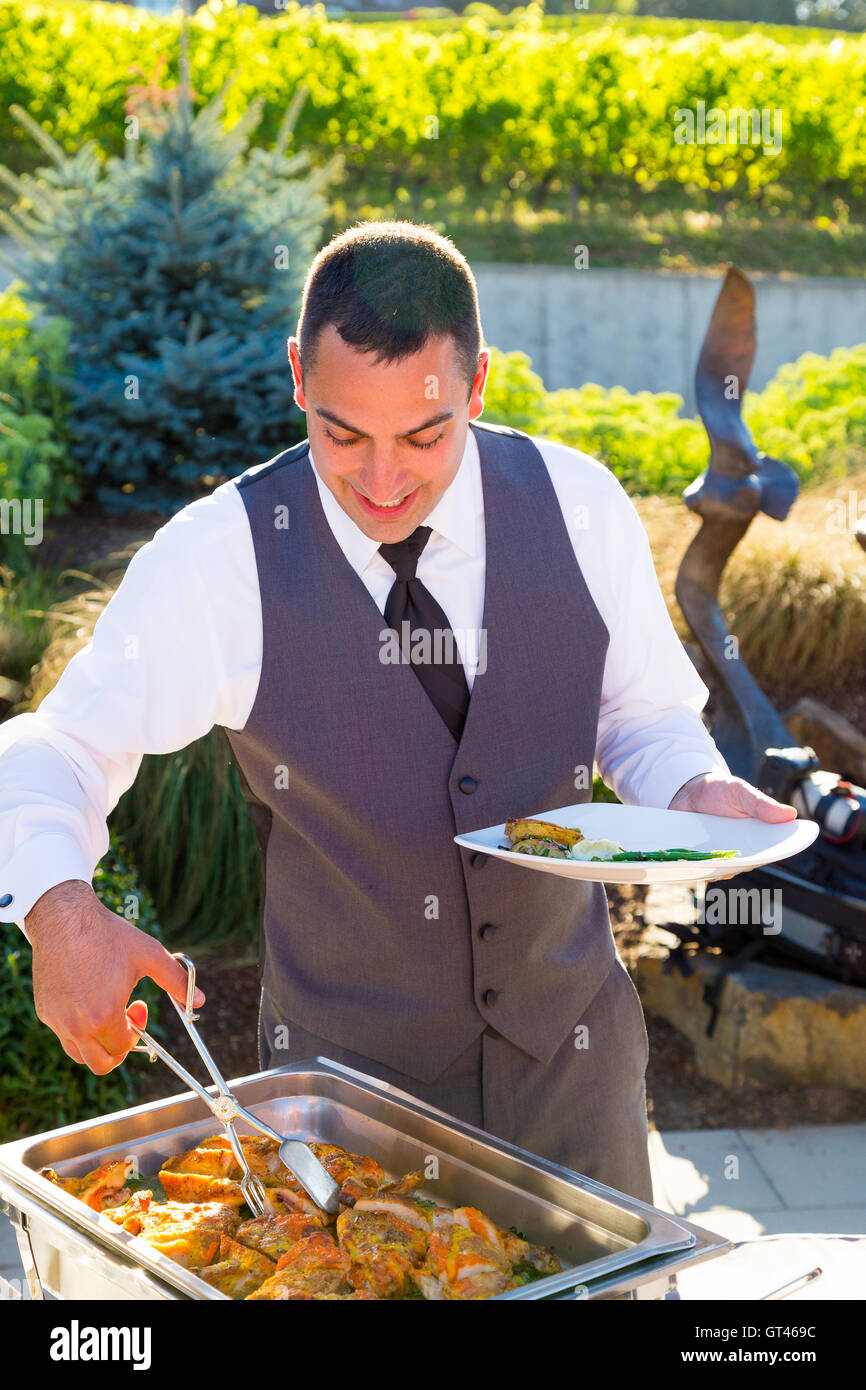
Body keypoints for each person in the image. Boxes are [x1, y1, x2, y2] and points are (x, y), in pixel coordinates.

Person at [0, 221, 795, 1204]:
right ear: (297, 376)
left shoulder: (580, 506)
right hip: (345, 1117)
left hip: (574, 1083)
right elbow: (54, 746)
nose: (381, 482)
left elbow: (640, 714)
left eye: (422, 435)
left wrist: (691, 784)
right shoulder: (220, 559)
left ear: (476, 384)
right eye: (341, 432)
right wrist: (59, 909)